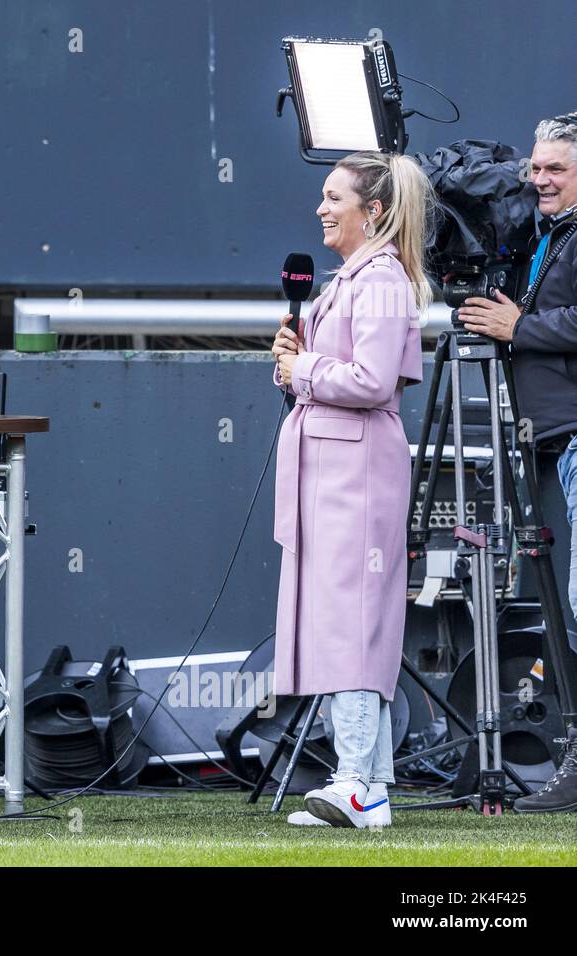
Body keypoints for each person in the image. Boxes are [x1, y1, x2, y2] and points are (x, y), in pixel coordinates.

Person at [271, 151, 431, 829]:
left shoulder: (384, 279)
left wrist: (303, 367)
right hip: (334, 468)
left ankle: (358, 782)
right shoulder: (355, 279)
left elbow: (369, 382)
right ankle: (370, 784)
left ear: (373, 212)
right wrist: (296, 366)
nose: (321, 209)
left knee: (353, 619)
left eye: (334, 197)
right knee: (343, 616)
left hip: (356, 469)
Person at [459, 112, 577, 812]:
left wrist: (519, 327)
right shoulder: (552, 235)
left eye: (554, 168)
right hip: (556, 437)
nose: (538, 180)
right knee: (566, 605)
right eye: (535, 168)